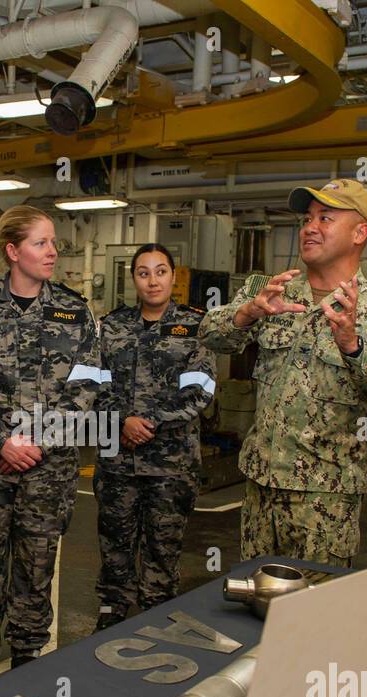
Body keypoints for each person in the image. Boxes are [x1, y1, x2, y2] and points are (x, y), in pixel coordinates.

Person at [199, 179, 367, 566]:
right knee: (255, 601)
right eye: (307, 218)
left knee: (317, 612)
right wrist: (248, 312)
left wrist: (353, 346)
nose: (309, 227)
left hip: (326, 496)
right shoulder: (269, 290)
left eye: (325, 218)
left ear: (359, 232)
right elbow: (210, 336)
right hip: (260, 482)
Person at [0, 206, 102, 687]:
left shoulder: (74, 310)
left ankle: (26, 656)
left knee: (37, 563)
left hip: (48, 467)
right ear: (13, 251)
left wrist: (33, 442)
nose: (53, 252)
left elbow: (86, 387)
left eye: (54, 243)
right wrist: (2, 441)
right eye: (42, 243)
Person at [94, 243, 216, 629]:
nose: (152, 280)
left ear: (174, 276)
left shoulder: (197, 327)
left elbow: (201, 390)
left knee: (163, 543)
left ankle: (156, 611)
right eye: (143, 272)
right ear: (133, 279)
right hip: (117, 458)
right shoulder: (111, 327)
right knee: (115, 538)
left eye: (160, 271)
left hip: (171, 461)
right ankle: (113, 608)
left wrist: (147, 421)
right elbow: (92, 383)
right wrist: (121, 420)